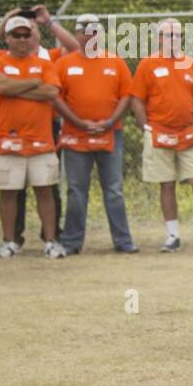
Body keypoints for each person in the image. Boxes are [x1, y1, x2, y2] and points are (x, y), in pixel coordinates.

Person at [0, 5, 78, 247]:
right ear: (8, 37)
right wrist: (5, 19)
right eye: (17, 34)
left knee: (46, 189)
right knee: (11, 190)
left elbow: (52, 89)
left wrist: (48, 21)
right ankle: (12, 240)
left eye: (28, 32)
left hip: (43, 132)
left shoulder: (47, 58)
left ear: (36, 34)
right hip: (8, 135)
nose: (23, 38)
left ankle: (51, 239)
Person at [130, 18, 193, 253]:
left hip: (188, 133)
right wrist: (146, 127)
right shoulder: (148, 64)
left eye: (176, 35)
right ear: (158, 38)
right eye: (167, 35)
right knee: (166, 184)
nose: (172, 39)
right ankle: (172, 236)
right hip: (160, 133)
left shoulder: (190, 63)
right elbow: (136, 99)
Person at [52, 14, 137, 254]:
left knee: (114, 190)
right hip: (75, 135)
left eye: (94, 31)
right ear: (77, 34)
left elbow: (127, 96)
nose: (89, 35)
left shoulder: (115, 61)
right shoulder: (64, 63)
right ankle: (71, 243)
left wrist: (110, 122)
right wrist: (78, 122)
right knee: (77, 190)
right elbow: (55, 97)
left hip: (111, 134)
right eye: (84, 31)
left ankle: (123, 241)